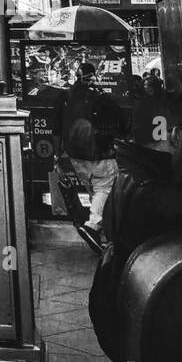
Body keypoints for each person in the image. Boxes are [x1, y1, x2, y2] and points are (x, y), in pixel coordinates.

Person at [89, 91, 182, 362]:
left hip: (124, 314)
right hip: (159, 335)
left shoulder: (131, 173)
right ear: (174, 135)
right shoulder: (156, 194)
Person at [51, 60, 125, 248]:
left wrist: (58, 154)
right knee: (105, 188)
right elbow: (121, 121)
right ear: (93, 77)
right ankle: (93, 226)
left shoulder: (64, 96)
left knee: (94, 190)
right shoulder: (101, 97)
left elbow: (56, 129)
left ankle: (102, 236)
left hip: (75, 155)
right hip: (99, 154)